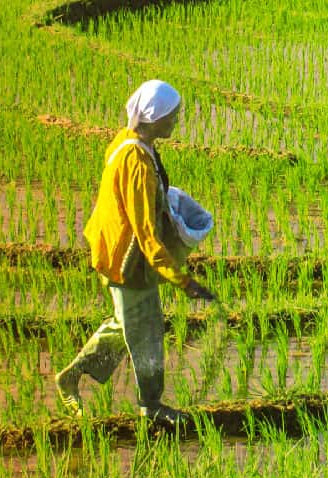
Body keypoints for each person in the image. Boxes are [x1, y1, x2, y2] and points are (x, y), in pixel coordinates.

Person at [54, 79, 216, 431]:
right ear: (154, 118)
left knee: (128, 324)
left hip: (113, 247)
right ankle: (150, 404)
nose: (176, 121)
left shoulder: (128, 142)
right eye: (172, 116)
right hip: (127, 260)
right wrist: (184, 281)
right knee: (147, 335)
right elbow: (145, 234)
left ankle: (75, 376)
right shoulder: (137, 162)